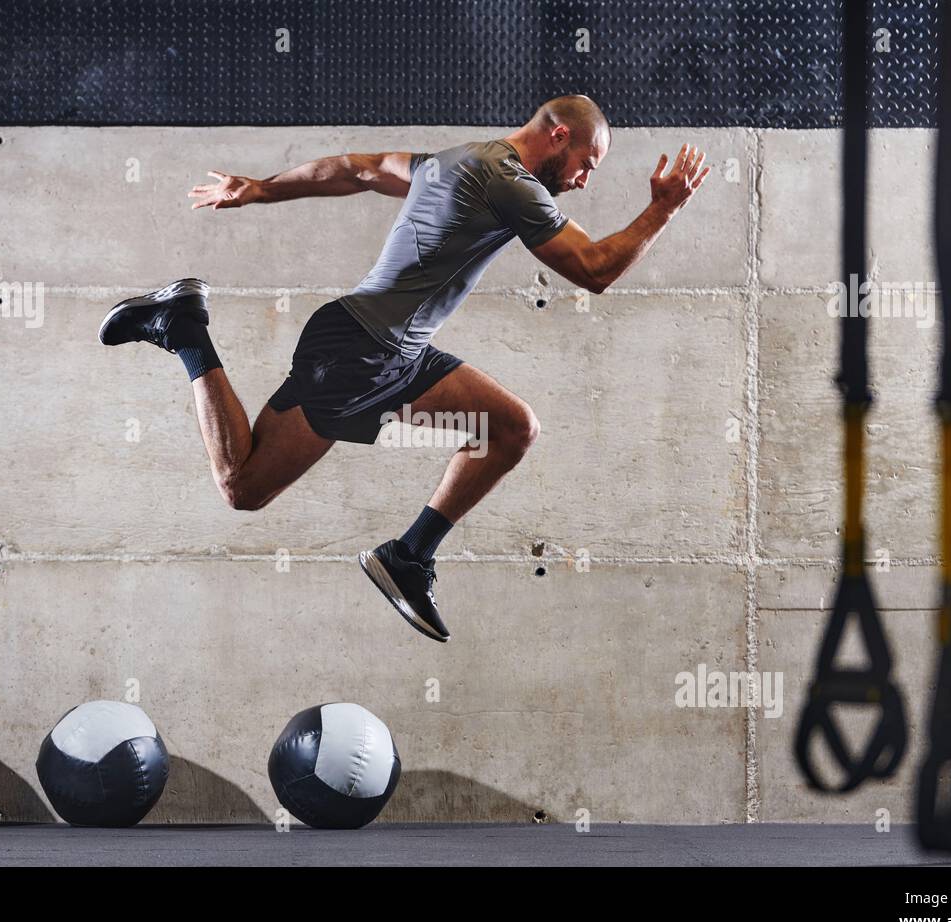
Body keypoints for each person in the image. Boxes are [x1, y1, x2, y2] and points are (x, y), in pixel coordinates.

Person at [99, 95, 709, 642]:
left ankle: (409, 556)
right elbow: (596, 269)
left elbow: (356, 168)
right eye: (585, 164)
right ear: (557, 136)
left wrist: (263, 187)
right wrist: (664, 209)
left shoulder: (451, 161)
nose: (581, 180)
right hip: (359, 354)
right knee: (243, 487)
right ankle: (186, 332)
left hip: (394, 354)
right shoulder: (510, 182)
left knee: (512, 428)